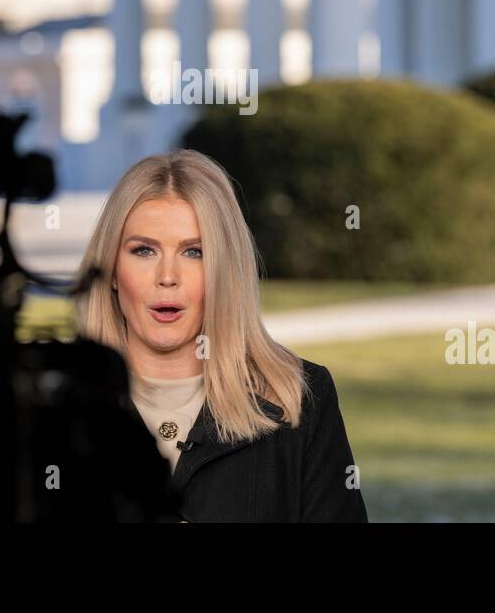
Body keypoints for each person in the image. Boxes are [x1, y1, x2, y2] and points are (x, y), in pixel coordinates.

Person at [74, 149, 368, 522]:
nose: (168, 276)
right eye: (144, 250)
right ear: (111, 271)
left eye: (194, 251)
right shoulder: (56, 406)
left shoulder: (300, 399)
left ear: (224, 269)